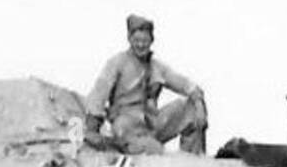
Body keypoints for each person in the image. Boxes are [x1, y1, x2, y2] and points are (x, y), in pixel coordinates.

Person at [85, 14, 207, 155]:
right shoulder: (117, 63)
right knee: (154, 150)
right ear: (129, 39)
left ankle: (193, 162)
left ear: (151, 41)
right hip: (126, 128)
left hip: (151, 124)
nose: (141, 45)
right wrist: (91, 129)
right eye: (137, 40)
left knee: (190, 109)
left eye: (145, 41)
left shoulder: (156, 67)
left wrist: (198, 102)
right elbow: (98, 95)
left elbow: (184, 84)